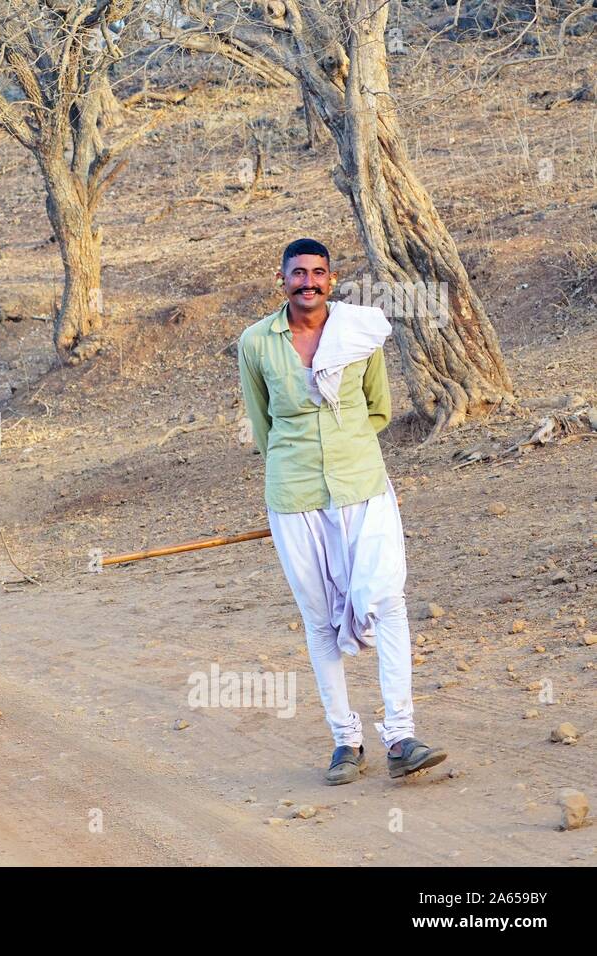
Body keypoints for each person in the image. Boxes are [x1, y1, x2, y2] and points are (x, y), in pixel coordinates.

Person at [237, 238, 447, 785]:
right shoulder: (256, 343)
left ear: (332, 279)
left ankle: (401, 736)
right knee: (318, 616)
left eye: (319, 273)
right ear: (281, 279)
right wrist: (301, 461)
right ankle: (345, 741)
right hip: (294, 494)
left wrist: (345, 449)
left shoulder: (359, 334)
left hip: (362, 485)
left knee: (387, 599)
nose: (309, 282)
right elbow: (264, 427)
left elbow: (378, 407)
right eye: (298, 273)